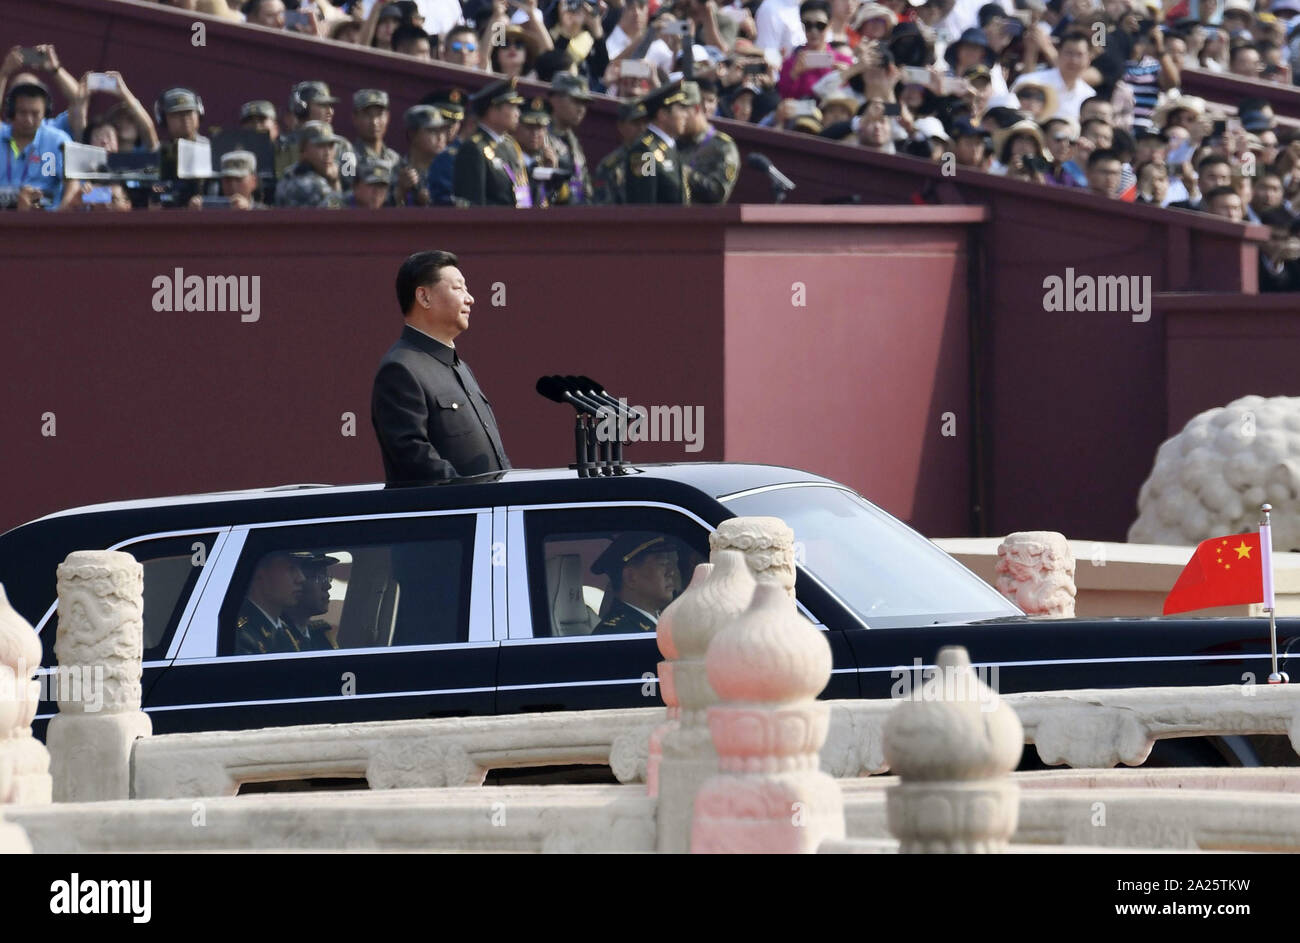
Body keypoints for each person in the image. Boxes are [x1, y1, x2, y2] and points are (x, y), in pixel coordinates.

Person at [371, 250, 510, 483]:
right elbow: (414, 457)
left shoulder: (460, 367)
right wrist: (471, 497)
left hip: (485, 513)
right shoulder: (401, 369)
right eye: (458, 288)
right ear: (424, 297)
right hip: (450, 515)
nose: (470, 298)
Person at [0, 77, 74, 211]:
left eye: (35, 113)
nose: (29, 120)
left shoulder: (57, 140)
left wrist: (61, 214)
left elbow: (73, 183)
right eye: (22, 113)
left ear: (45, 113)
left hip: (45, 224)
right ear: (11, 112)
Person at [453, 78, 528, 206]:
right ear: (492, 111)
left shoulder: (510, 145)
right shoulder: (474, 149)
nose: (518, 113)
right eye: (511, 106)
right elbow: (474, 204)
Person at [590, 533, 680, 635]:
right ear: (631, 577)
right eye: (662, 564)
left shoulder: (662, 624)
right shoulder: (617, 633)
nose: (671, 572)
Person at [624, 80, 691, 204]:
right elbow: (642, 205)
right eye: (681, 109)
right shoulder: (644, 151)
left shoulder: (669, 147)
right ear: (662, 115)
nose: (686, 115)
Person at [678, 79, 740, 204]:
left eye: (683, 112)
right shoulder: (672, 141)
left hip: (700, 219)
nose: (679, 118)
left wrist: (684, 173)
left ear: (696, 109)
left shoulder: (722, 146)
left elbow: (718, 193)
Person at [235, 552, 307, 655]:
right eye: (291, 568)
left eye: (300, 569)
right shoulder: (241, 634)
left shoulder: (288, 631)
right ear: (258, 573)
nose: (301, 578)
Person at [275, 121, 345, 208]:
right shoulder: (309, 184)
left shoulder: (291, 173)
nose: (327, 153)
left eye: (331, 145)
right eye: (320, 145)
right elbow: (338, 213)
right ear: (304, 150)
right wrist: (334, 183)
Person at [590, 99, 647, 204]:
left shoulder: (655, 157)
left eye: (645, 123)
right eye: (636, 123)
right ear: (621, 126)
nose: (642, 128)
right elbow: (602, 205)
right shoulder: (609, 165)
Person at [546, 73, 592, 204]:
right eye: (576, 101)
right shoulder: (539, 137)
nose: (581, 109)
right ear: (555, 99)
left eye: (584, 103)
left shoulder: (573, 140)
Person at [280, 553, 340, 651]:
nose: (328, 586)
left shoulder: (320, 636)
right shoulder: (275, 636)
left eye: (327, 577)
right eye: (318, 577)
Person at [395, 105, 448, 206]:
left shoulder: (449, 170)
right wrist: (401, 193)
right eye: (432, 130)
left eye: (442, 130)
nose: (440, 137)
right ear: (412, 134)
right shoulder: (396, 170)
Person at [352, 89, 400, 167]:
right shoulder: (348, 157)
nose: (374, 122)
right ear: (355, 118)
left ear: (388, 117)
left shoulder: (395, 160)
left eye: (379, 114)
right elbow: (344, 179)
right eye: (367, 115)